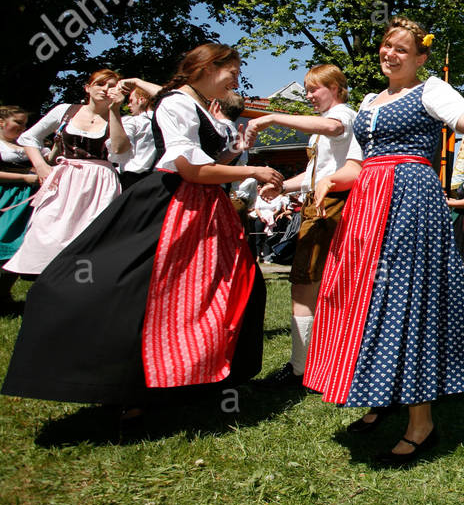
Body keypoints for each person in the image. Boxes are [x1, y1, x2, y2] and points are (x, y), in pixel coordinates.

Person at [1, 44, 282, 413]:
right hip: (175, 205)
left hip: (206, 210)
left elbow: (210, 160)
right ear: (205, 68)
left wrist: (236, 152)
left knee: (229, 290)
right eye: (231, 70)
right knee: (139, 291)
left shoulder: (200, 107)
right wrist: (253, 170)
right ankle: (129, 384)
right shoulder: (177, 103)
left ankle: (193, 376)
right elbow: (190, 170)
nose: (236, 78)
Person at [306, 20, 464, 465]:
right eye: (386, 45)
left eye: (401, 49)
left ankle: (422, 423)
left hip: (410, 202)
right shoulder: (368, 101)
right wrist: (327, 179)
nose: (390, 53)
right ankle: (381, 395)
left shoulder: (431, 89)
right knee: (362, 298)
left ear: (419, 59)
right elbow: (358, 163)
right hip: (367, 206)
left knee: (405, 301)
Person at [243, 65, 357, 389]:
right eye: (306, 89)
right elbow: (313, 175)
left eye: (314, 89)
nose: (308, 96)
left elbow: (334, 128)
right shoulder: (319, 129)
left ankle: (302, 369)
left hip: (333, 207)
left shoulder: (344, 115)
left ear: (335, 87)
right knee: (311, 285)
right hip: (319, 205)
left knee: (309, 284)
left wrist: (275, 117)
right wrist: (282, 188)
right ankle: (316, 364)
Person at [3, 69, 128, 277]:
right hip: (65, 177)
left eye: (112, 86)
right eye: (100, 84)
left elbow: (121, 152)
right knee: (48, 227)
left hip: (100, 181)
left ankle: (79, 285)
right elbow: (28, 138)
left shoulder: (120, 119)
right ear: (88, 88)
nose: (106, 89)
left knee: (89, 233)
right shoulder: (65, 110)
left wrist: (115, 112)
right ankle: (37, 280)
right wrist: (42, 166)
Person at [0, 106, 38, 310]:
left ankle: (3, 294)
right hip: (4, 198)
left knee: (19, 247)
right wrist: (23, 176)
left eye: (25, 124)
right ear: (1, 122)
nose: (23, 128)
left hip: (25, 201)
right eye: (18, 123)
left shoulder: (24, 146)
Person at [113, 79, 161, 189]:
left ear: (141, 100)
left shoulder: (132, 121)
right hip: (157, 180)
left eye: (131, 100)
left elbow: (119, 151)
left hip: (130, 181)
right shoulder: (164, 122)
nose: (129, 105)